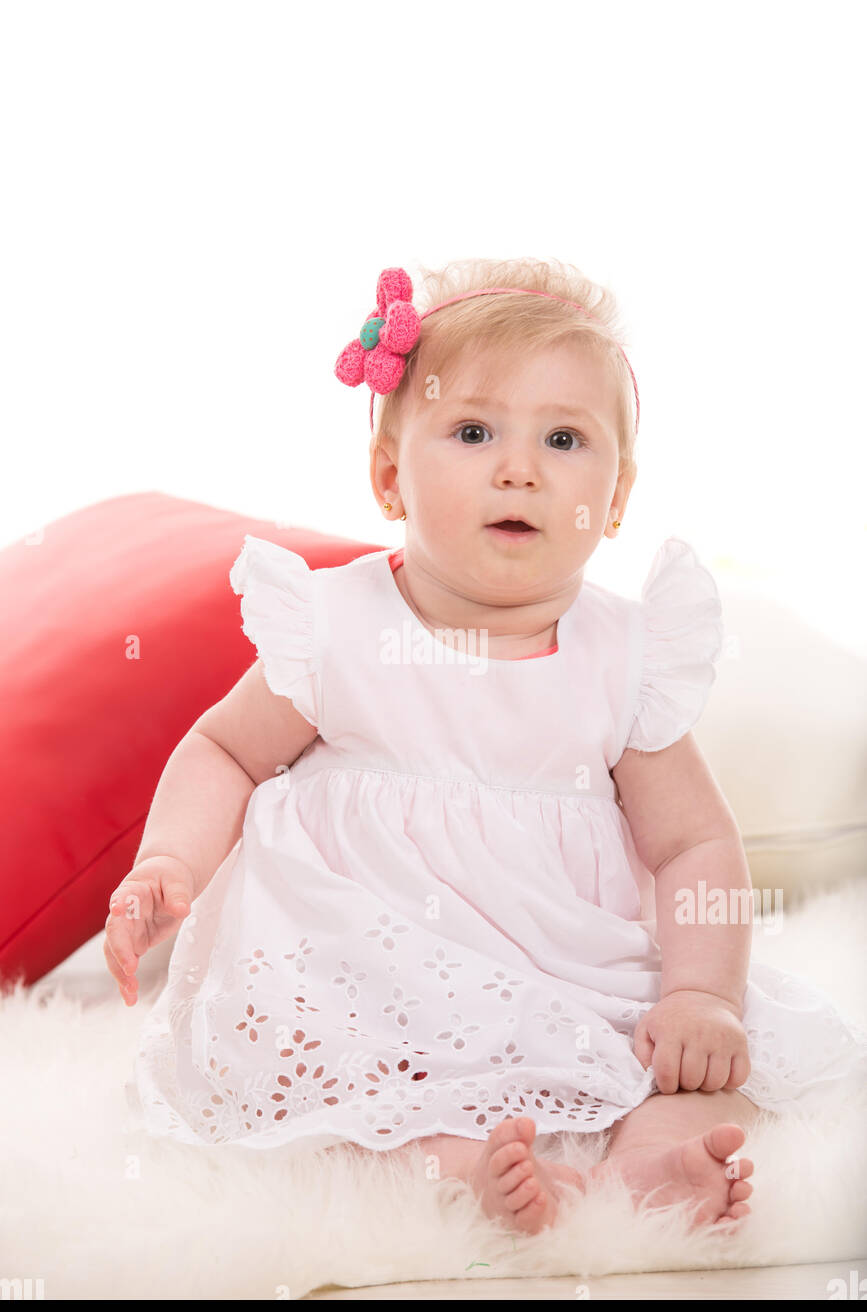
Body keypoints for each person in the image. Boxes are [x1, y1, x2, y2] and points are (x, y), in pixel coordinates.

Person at [107, 258, 867, 1236]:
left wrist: (699, 995)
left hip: (561, 958)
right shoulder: (337, 629)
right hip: (367, 960)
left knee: (702, 1061)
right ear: (389, 474)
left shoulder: (625, 655)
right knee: (334, 1078)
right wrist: (170, 859)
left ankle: (649, 1165)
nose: (521, 467)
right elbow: (226, 752)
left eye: (564, 438)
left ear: (618, 496)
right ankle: (465, 1165)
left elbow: (694, 847)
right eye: (473, 431)